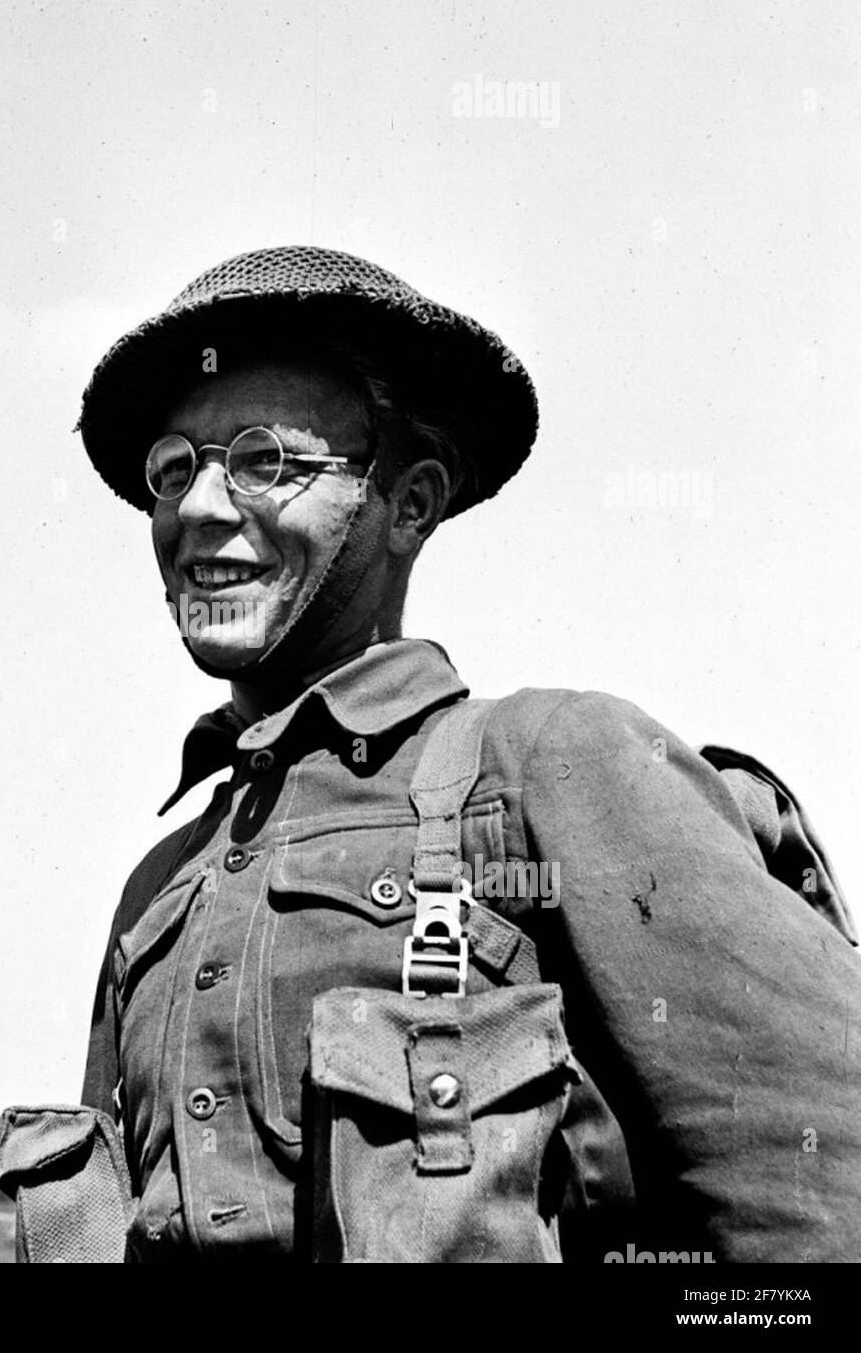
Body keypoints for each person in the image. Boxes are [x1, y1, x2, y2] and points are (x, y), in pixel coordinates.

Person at [57, 246, 861, 1261]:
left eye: (266, 460)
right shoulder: (156, 895)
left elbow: (818, 1199)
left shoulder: (552, 763)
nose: (202, 507)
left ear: (409, 503)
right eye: (175, 469)